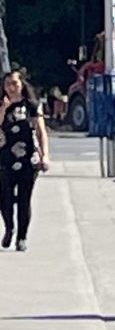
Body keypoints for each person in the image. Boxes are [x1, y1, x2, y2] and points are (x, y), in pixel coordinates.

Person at [2, 71, 51, 251]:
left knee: (24, 198)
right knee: (4, 197)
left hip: (28, 157)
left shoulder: (31, 106)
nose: (11, 87)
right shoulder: (2, 105)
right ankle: (9, 228)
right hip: (5, 157)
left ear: (21, 85)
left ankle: (22, 237)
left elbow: (41, 132)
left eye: (14, 83)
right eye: (7, 84)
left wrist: (45, 155)